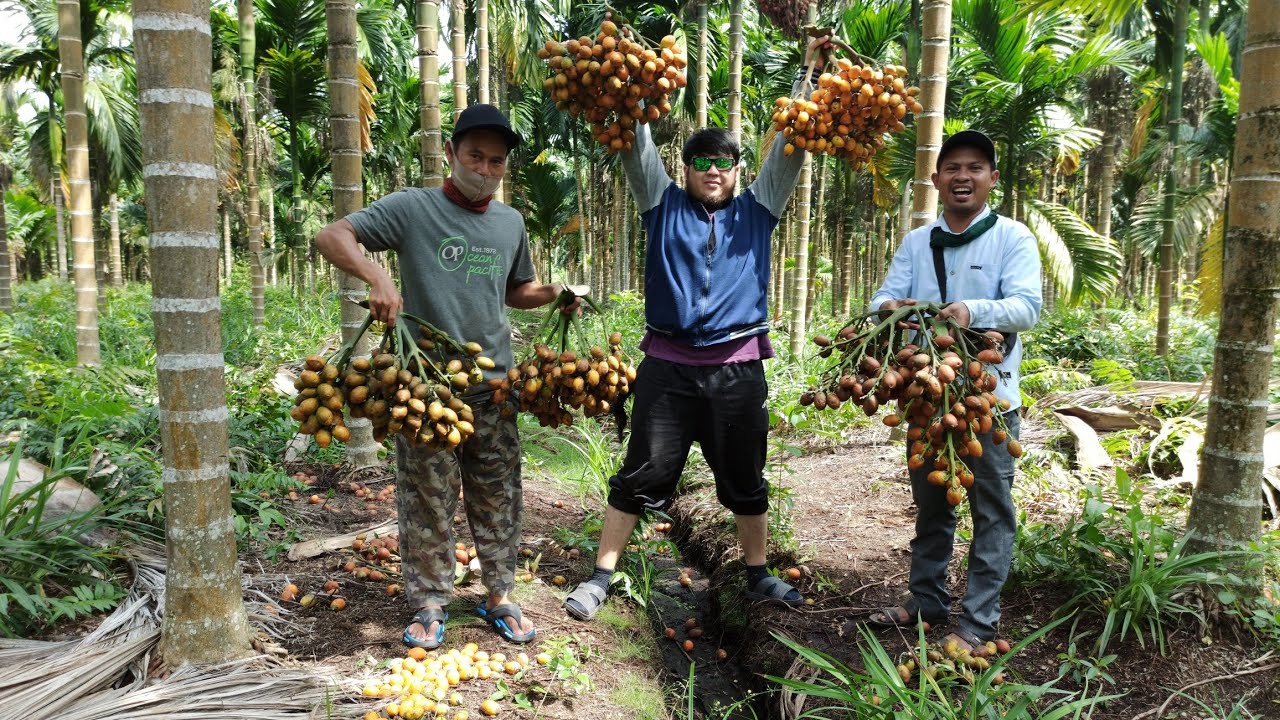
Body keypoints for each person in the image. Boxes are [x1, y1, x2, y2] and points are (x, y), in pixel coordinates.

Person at [563, 35, 835, 621]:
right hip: (668, 368)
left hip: (737, 369)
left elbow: (790, 141)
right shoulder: (659, 203)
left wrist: (811, 72)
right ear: (682, 169)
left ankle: (757, 575)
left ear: (739, 171)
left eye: (725, 162)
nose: (714, 170)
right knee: (643, 471)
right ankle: (601, 575)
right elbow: (635, 140)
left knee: (744, 474)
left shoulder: (759, 209)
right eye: (702, 161)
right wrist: (630, 81)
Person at [315, 104, 576, 648]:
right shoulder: (414, 208)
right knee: (426, 497)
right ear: (452, 154)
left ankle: (499, 594)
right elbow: (331, 235)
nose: (484, 169)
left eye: (496, 161)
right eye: (475, 156)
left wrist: (555, 293)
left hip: (494, 386)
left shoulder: (510, 223)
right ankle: (430, 601)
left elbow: (515, 291)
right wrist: (376, 273)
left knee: (498, 493)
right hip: (425, 387)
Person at [865, 130, 1042, 653]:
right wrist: (892, 307)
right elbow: (882, 297)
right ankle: (925, 601)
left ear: (991, 178)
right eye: (953, 168)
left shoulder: (1013, 237)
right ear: (937, 179)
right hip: (927, 396)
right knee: (931, 506)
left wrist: (972, 310)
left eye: (975, 167)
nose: (963, 176)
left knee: (992, 512)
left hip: (989, 399)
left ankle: (978, 623)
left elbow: (1027, 307)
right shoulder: (917, 242)